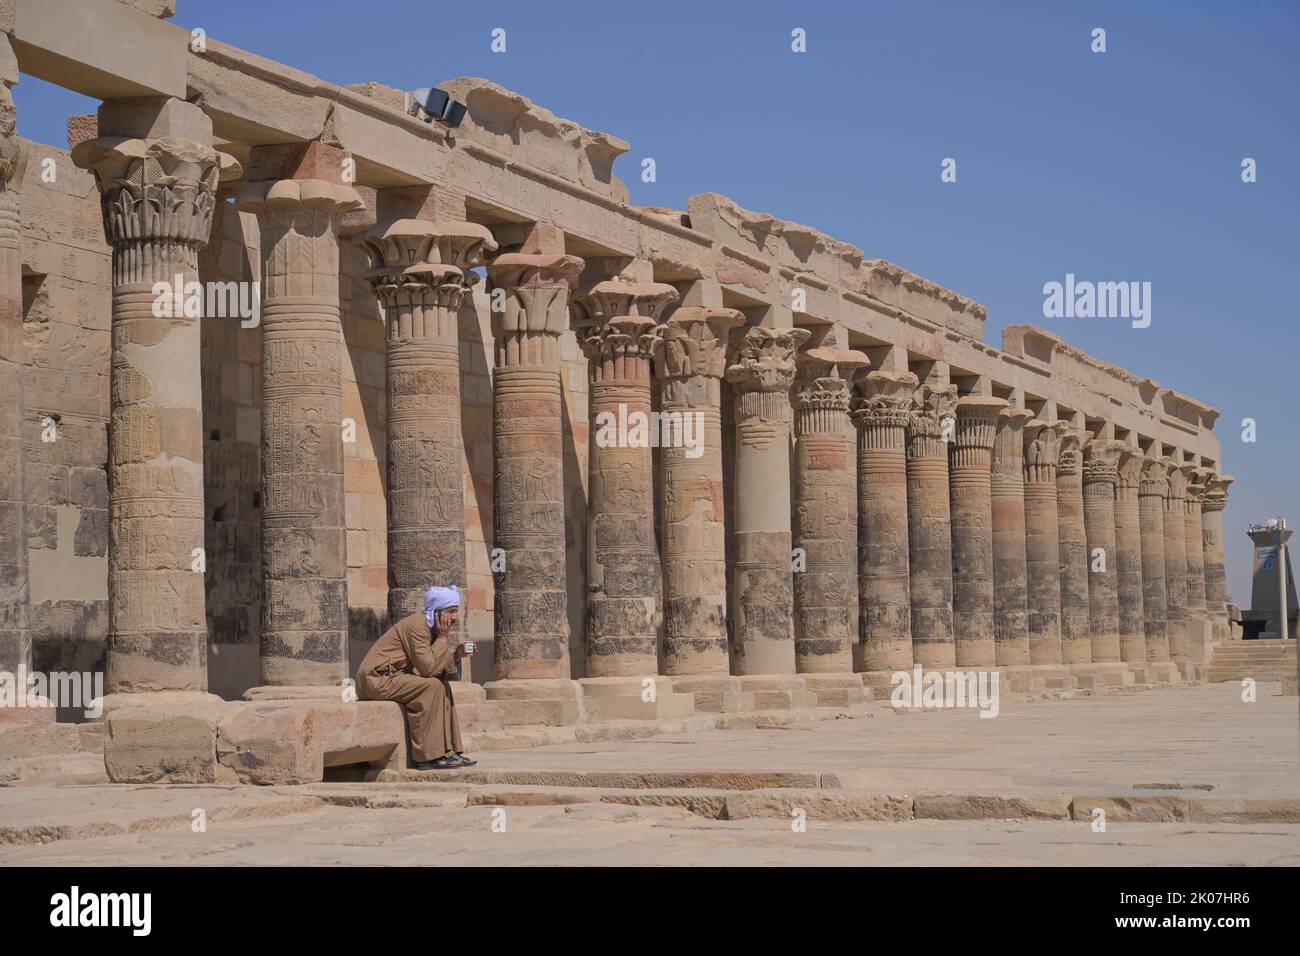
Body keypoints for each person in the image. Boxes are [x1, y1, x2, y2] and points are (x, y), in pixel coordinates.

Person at [356, 585, 476, 770]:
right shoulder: (418, 625)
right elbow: (427, 668)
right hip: (375, 679)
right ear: (437, 612)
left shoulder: (430, 630)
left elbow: (435, 668)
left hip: (393, 677)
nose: (454, 617)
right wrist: (443, 639)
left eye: (456, 612)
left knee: (442, 685)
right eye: (451, 611)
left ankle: (450, 751)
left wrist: (457, 655)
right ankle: (429, 756)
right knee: (432, 686)